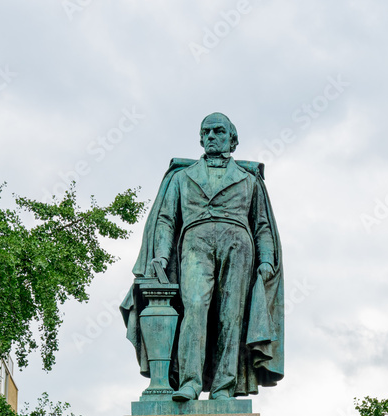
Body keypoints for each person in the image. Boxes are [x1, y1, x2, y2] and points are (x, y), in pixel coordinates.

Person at [121, 113, 284, 399]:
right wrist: (160, 255)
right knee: (194, 308)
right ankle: (190, 382)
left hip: (238, 244)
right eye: (206, 132)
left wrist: (267, 258)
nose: (211, 136)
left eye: (218, 131)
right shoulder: (182, 177)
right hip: (195, 242)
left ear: (232, 140)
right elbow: (166, 219)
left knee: (231, 315)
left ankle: (224, 387)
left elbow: (262, 224)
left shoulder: (249, 179)